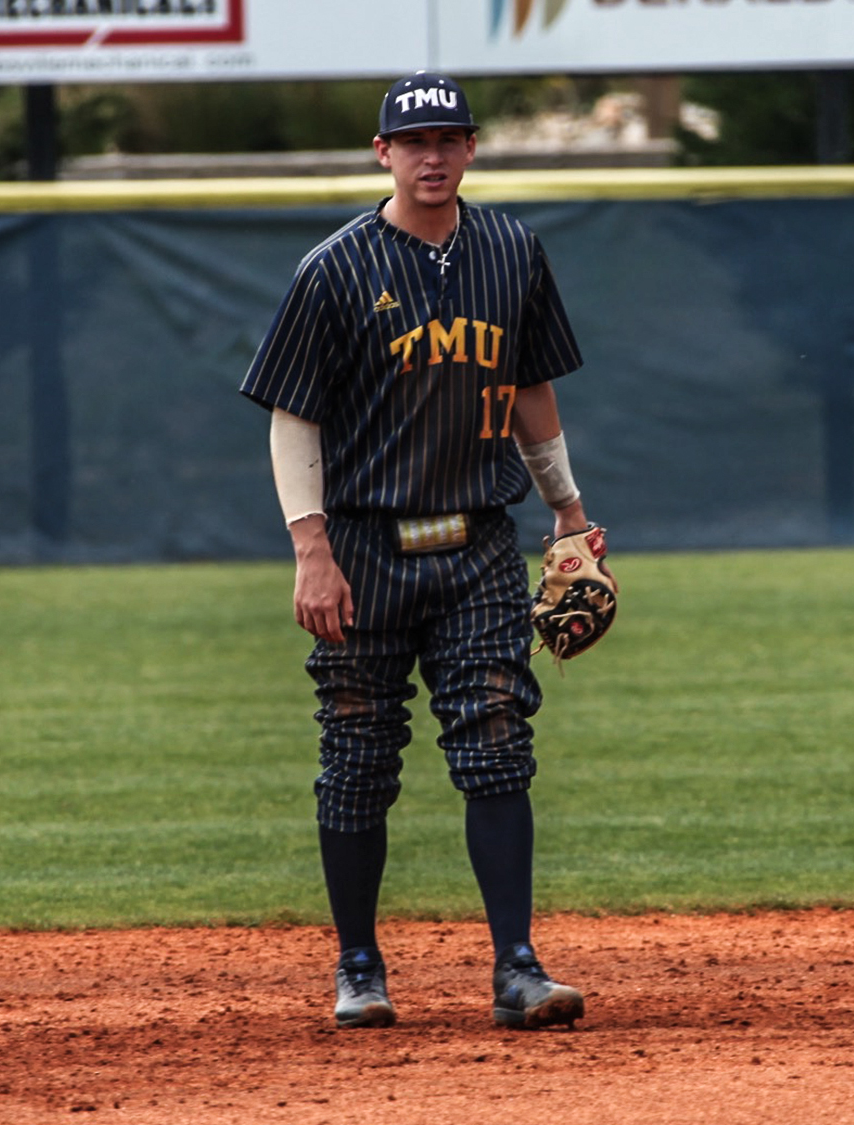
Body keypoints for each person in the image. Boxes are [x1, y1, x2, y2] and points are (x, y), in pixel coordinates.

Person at [240, 72, 598, 1030]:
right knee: (357, 754)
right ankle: (359, 966)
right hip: (362, 546)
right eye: (414, 140)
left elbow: (531, 392)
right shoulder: (335, 268)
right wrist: (310, 548)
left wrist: (567, 511)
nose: (431, 155)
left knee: (495, 743)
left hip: (479, 541)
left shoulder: (512, 253)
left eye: (448, 137)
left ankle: (518, 967)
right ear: (382, 152)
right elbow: (291, 416)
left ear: (472, 148)